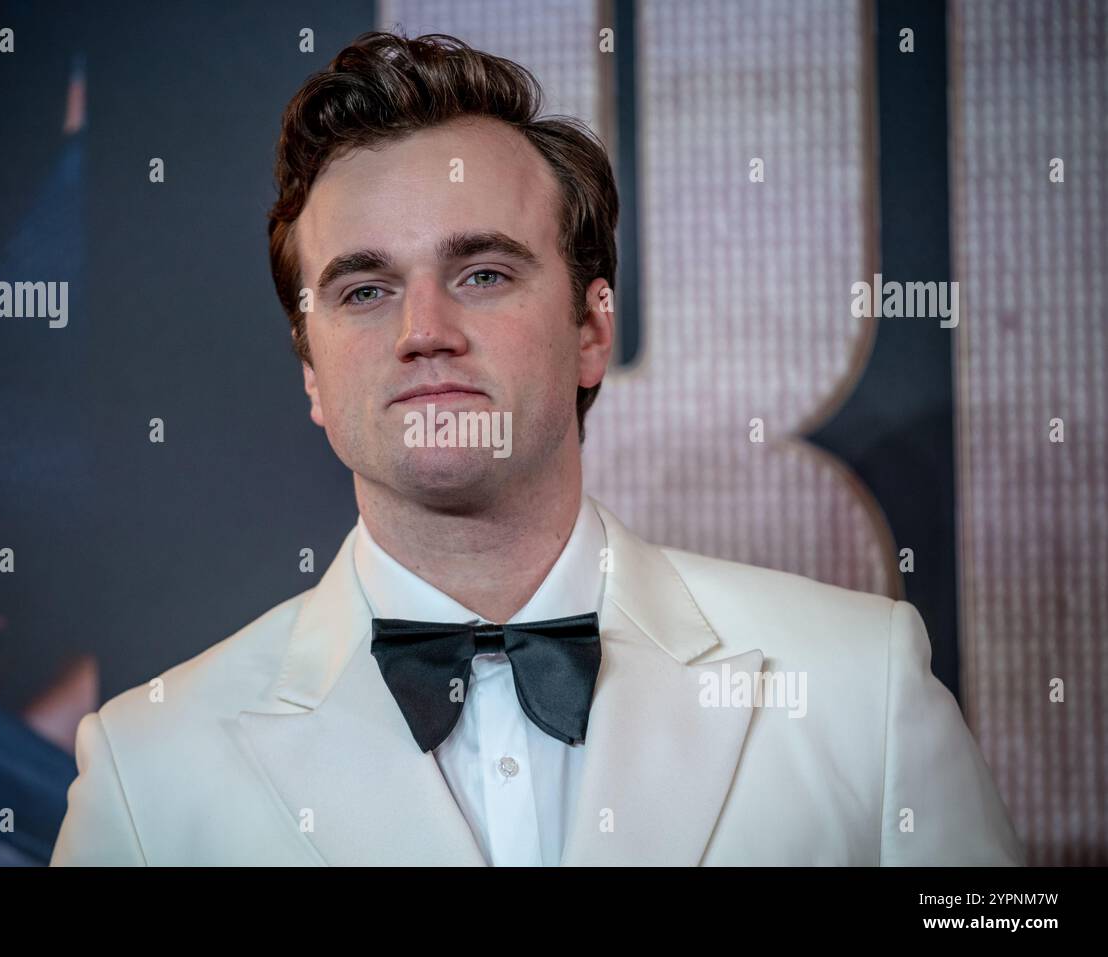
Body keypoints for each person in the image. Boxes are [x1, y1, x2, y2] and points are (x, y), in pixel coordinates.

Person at [50, 31, 1023, 866]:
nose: (423, 329)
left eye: (480, 272)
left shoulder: (860, 687)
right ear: (310, 372)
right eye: (363, 290)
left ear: (592, 330)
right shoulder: (150, 768)